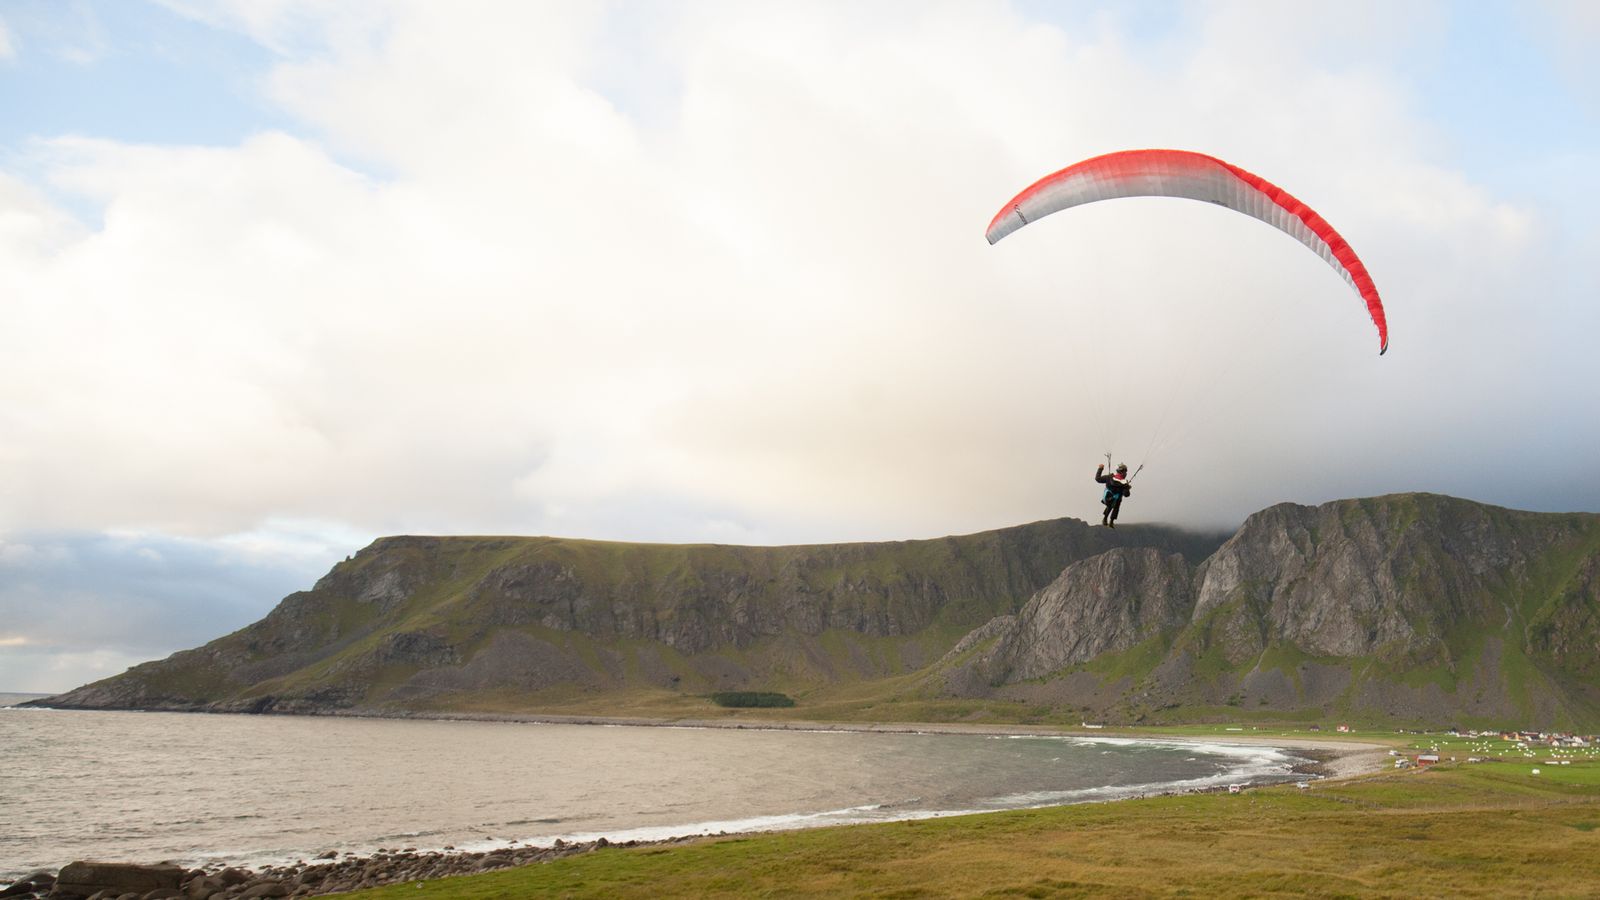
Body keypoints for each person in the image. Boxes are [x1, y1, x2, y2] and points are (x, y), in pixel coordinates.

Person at [1095, 462, 1132, 527]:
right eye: (1125, 472)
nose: (1126, 473)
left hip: (1106, 499)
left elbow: (1098, 479)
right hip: (1114, 501)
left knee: (1111, 505)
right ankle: (1111, 521)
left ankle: (1105, 519)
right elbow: (1126, 495)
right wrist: (1127, 488)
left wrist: (1100, 468)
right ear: (1122, 472)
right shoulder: (1124, 483)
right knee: (1116, 503)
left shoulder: (1109, 477)